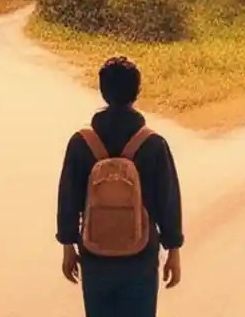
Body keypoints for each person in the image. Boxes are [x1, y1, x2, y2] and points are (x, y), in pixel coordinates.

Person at [56, 56, 184, 317]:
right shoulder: (153, 143)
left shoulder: (82, 142)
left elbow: (68, 199)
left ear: (102, 91)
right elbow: (168, 200)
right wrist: (173, 250)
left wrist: (68, 246)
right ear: (137, 92)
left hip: (95, 254)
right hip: (140, 255)